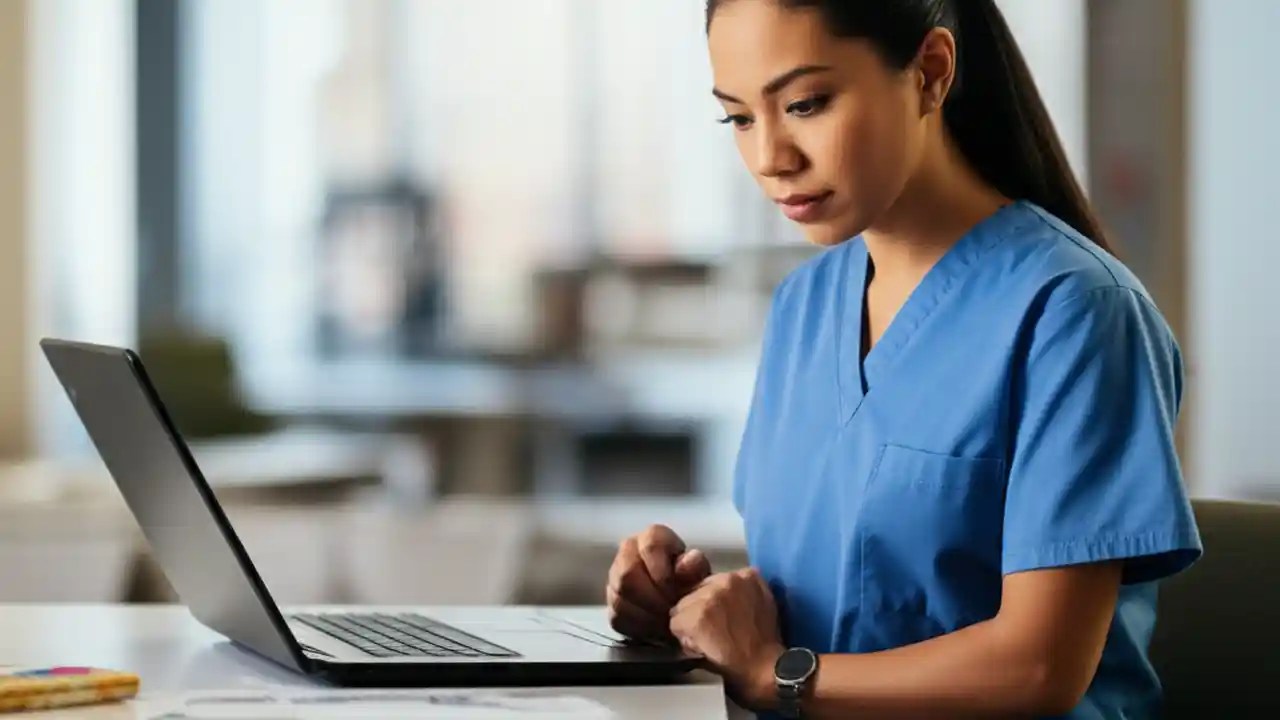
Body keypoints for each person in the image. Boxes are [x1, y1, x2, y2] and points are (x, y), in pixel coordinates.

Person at [605, 1, 1203, 718]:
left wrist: (776, 675)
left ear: (930, 72)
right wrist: (688, 606)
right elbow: (853, 586)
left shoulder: (1075, 313)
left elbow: (1039, 667)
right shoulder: (803, 306)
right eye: (737, 117)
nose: (770, 158)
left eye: (805, 103)